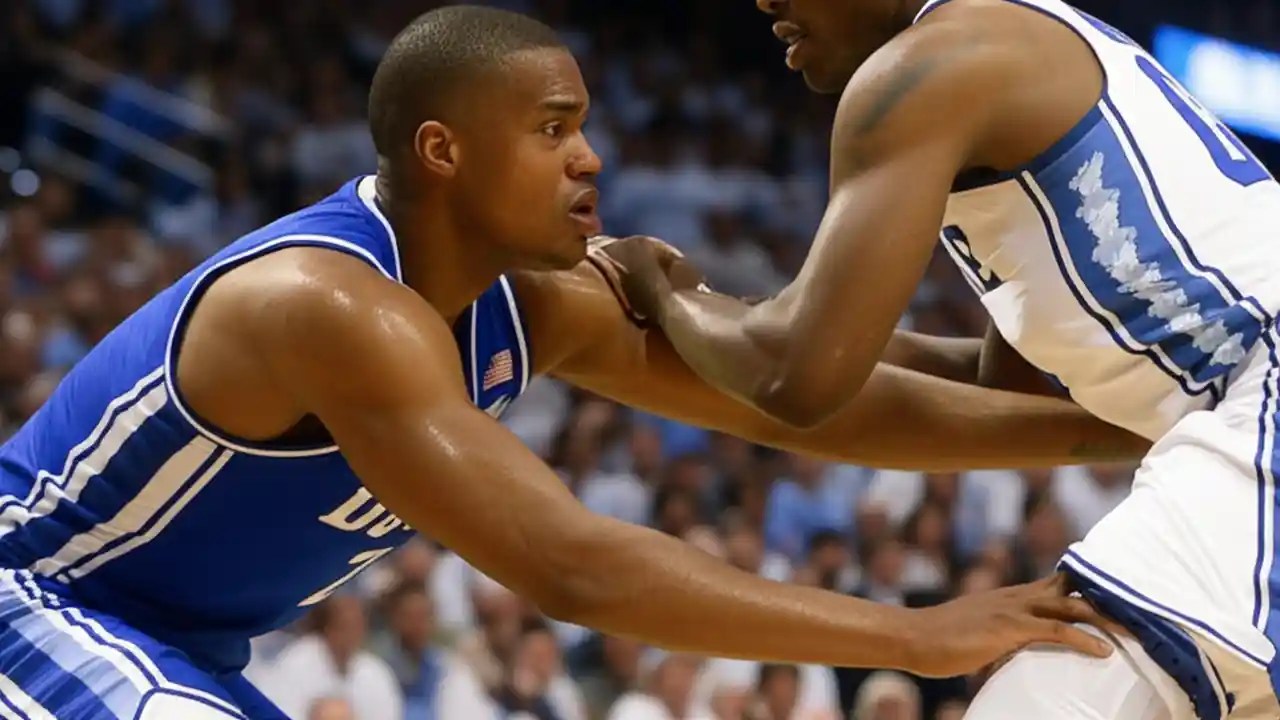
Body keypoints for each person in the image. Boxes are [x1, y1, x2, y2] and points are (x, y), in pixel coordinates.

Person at [0, 6, 1145, 719]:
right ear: (442, 152)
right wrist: (916, 632)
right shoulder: (325, 304)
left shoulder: (536, 303)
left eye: (584, 123)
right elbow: (572, 568)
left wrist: (1108, 422)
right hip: (34, 597)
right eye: (551, 129)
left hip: (169, 636)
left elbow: (805, 402)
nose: (590, 156)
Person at [597, 0, 1280, 717]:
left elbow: (796, 377)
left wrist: (663, 292)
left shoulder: (927, 68)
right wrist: (740, 318)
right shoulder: (1007, 50)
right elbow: (1006, 387)